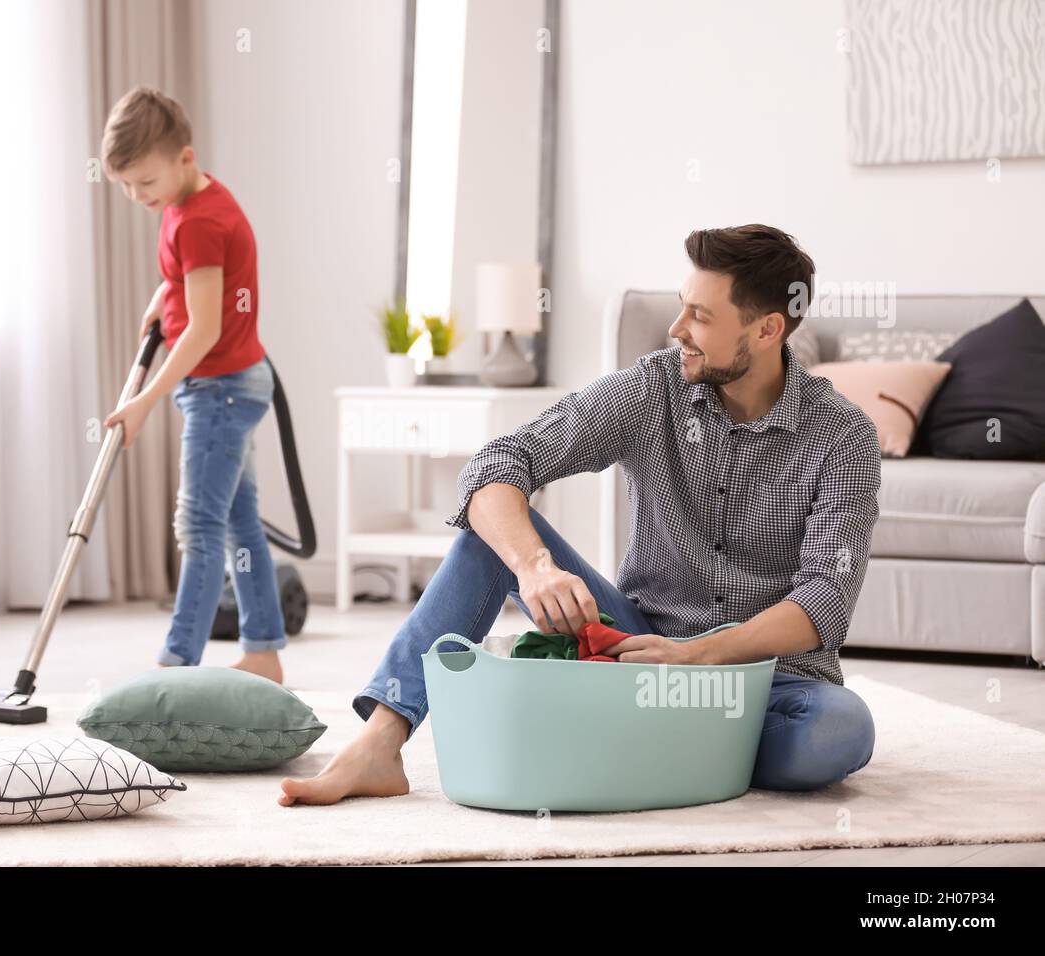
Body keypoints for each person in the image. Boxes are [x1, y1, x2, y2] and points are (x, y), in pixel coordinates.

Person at [280, 224, 881, 805]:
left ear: (768, 328)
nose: (677, 329)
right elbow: (498, 464)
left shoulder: (843, 434)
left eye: (701, 315)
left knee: (837, 732)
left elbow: (826, 595)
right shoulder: (653, 389)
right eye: (682, 307)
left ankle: (636, 733)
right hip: (637, 649)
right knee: (488, 540)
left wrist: (697, 657)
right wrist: (535, 566)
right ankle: (380, 744)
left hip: (767, 678)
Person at [100, 86, 286, 683]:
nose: (137, 197)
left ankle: (177, 663)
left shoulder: (200, 221)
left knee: (199, 527)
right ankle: (263, 651)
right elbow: (205, 284)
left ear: (185, 156)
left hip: (221, 388)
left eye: (146, 183)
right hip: (235, 380)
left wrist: (143, 401)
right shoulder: (197, 198)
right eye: (126, 186)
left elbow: (204, 330)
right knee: (238, 523)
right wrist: (167, 292)